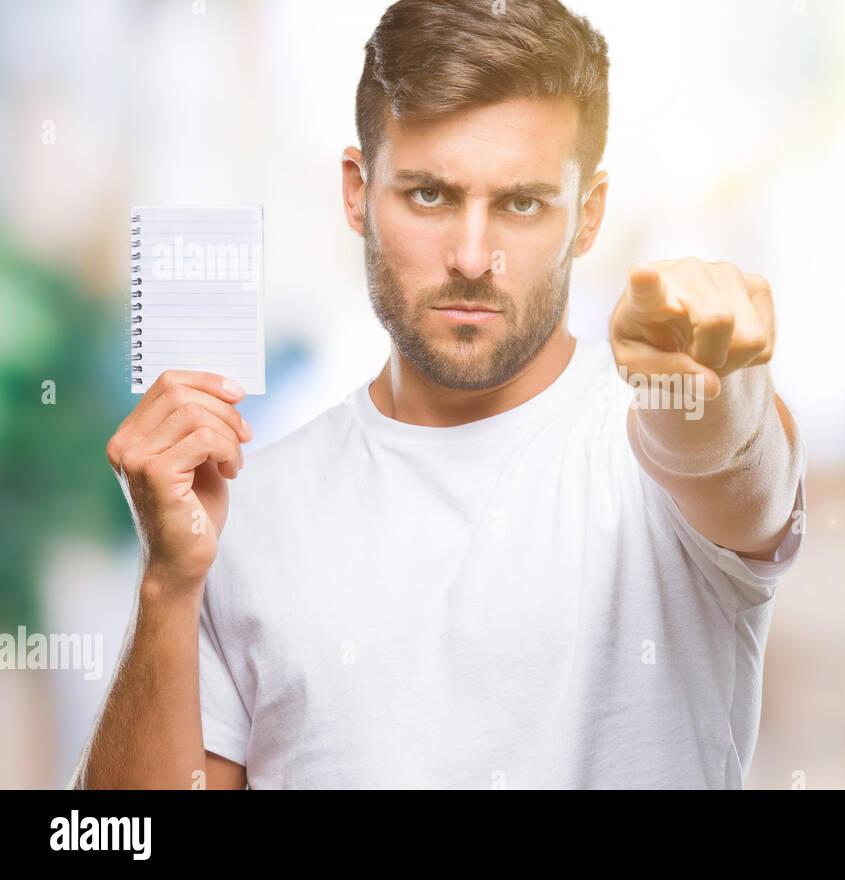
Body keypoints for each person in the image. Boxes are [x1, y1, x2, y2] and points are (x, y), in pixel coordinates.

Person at [75, 0, 806, 789]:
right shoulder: (242, 509)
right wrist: (166, 584)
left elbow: (731, 463)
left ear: (588, 216)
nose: (470, 256)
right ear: (357, 192)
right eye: (429, 195)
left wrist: (710, 384)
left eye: (522, 204)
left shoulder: (655, 465)